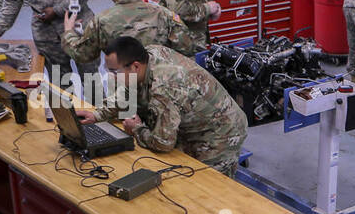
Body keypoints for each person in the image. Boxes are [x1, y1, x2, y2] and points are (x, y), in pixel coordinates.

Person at [78, 36, 247, 177]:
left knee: (210, 187)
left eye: (114, 72)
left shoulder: (163, 89)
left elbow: (163, 142)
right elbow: (127, 90)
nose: (110, 77)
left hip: (221, 132)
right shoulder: (148, 55)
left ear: (135, 66)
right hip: (192, 122)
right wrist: (98, 115)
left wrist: (137, 129)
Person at [61, 0, 201, 65]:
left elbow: (82, 54)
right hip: (162, 92)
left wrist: (68, 32)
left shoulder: (102, 21)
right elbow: (187, 50)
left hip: (126, 94)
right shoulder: (165, 14)